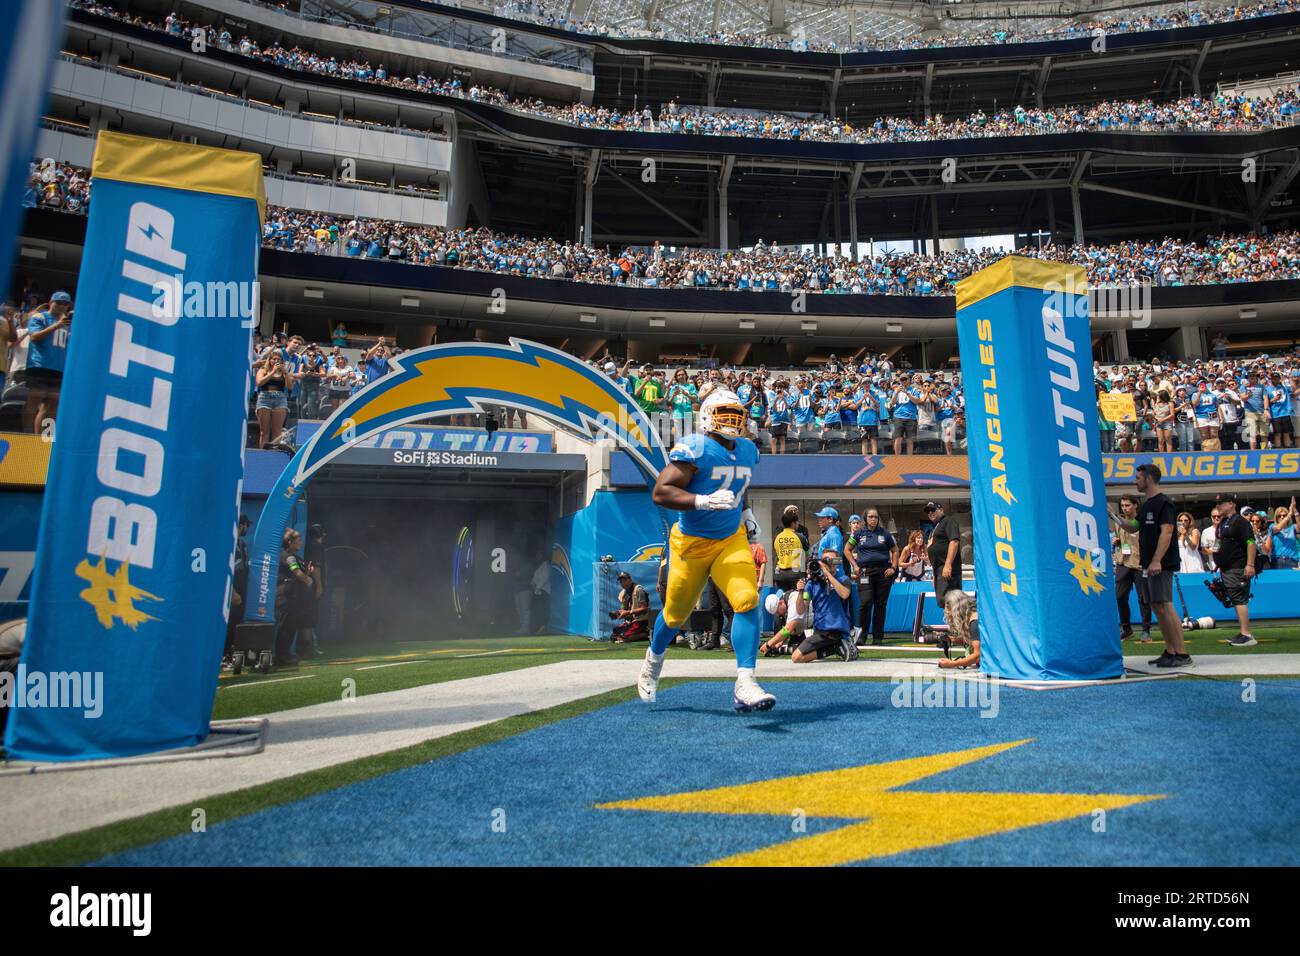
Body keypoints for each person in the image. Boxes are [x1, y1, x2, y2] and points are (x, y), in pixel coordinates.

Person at [637, 388, 775, 712]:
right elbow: (661, 491)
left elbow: (741, 481)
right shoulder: (696, 447)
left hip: (730, 538)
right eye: (724, 414)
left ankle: (745, 681)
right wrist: (703, 500)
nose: (731, 421)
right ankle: (653, 661)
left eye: (736, 415)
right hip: (691, 543)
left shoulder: (747, 450)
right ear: (706, 417)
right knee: (674, 615)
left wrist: (744, 513)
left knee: (746, 598)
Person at [1130, 464, 1190, 668]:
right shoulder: (1146, 505)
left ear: (1148, 479)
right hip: (1148, 564)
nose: (1135, 481)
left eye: (1138, 478)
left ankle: (1181, 653)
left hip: (1161, 564)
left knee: (1164, 604)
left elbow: (1167, 532)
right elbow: (1133, 527)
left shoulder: (1164, 503)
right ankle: (1170, 650)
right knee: (1156, 605)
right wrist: (1112, 516)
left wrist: (1157, 560)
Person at [789, 547, 858, 663]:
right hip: (820, 631)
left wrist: (827, 574)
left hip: (836, 629)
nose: (829, 563)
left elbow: (845, 594)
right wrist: (800, 592)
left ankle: (840, 645)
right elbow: (800, 610)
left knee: (796, 657)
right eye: (826, 560)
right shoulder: (812, 583)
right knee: (798, 657)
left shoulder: (843, 579)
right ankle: (836, 648)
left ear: (837, 562)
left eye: (832, 560)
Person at [1212, 493, 1259, 647]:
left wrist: (1250, 564)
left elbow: (1251, 542)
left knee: (1239, 598)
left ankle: (1247, 635)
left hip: (1238, 566)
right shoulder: (1224, 521)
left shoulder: (1240, 521)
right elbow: (1218, 543)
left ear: (1231, 503)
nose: (1219, 506)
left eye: (1222, 503)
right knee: (1235, 598)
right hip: (1225, 568)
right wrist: (1217, 560)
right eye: (1217, 504)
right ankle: (1243, 632)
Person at [23, 291, 72, 435]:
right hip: (39, 365)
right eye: (59, 303)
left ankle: (46, 437)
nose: (62, 306)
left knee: (53, 405)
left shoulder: (68, 323)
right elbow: (34, 337)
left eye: (65, 304)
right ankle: (28, 435)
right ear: (51, 302)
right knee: (34, 400)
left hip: (59, 368)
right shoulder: (40, 317)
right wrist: (56, 326)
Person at [849, 509, 898, 646]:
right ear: (865, 518)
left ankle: (878, 637)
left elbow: (895, 550)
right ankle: (860, 636)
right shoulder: (859, 533)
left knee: (880, 605)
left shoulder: (885, 533)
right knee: (865, 603)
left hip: (883, 573)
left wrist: (893, 567)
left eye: (876, 517)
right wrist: (855, 566)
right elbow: (847, 550)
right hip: (865, 573)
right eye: (871, 517)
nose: (873, 519)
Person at [1112, 495, 1153, 641]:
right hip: (1123, 562)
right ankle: (1126, 628)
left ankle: (1146, 629)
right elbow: (1123, 541)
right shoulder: (1119, 523)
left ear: (1135, 505)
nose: (1125, 508)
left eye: (1127, 505)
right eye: (1122, 505)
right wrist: (1117, 542)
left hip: (1140, 563)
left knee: (1143, 598)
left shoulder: (1142, 521)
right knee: (1119, 596)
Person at [274, 528, 315, 667]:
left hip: (293, 596)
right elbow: (297, 573)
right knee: (284, 625)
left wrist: (307, 572)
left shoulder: (295, 556)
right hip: (286, 595)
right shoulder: (288, 556)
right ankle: (280, 656)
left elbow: (300, 571)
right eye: (298, 541)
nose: (300, 543)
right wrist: (307, 579)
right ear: (289, 542)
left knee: (291, 625)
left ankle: (285, 654)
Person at [924, 501, 962, 605]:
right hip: (939, 570)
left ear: (941, 510)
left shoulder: (948, 521)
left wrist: (948, 564)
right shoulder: (935, 527)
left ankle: (957, 622)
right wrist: (935, 575)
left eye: (933, 510)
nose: (930, 513)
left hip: (948, 570)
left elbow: (954, 542)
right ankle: (951, 621)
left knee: (952, 601)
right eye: (928, 511)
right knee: (944, 602)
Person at [254, 349, 291, 449]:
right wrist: (273, 372)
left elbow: (289, 386)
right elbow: (259, 382)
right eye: (273, 359)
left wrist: (286, 373)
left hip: (280, 399)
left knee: (277, 431)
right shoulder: (263, 370)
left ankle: (274, 453)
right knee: (264, 431)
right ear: (269, 360)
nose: (276, 361)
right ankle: (262, 453)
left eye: (278, 360)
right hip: (265, 398)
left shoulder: (283, 373)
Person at [936, 589, 980, 670]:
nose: (945, 611)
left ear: (955, 607)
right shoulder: (971, 618)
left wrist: (953, 663)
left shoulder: (974, 622)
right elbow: (975, 640)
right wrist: (953, 640)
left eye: (947, 607)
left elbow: (977, 655)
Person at [611, 571, 651, 643]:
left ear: (630, 580)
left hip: (641, 620)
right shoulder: (623, 593)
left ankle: (647, 634)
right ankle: (639, 633)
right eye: (621, 582)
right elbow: (624, 610)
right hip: (630, 621)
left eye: (625, 580)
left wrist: (629, 612)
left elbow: (644, 608)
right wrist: (617, 614)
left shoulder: (639, 590)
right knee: (615, 632)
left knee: (623, 637)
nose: (623, 583)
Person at [771, 509, 806, 592]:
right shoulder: (800, 537)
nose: (798, 523)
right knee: (796, 599)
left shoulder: (777, 537)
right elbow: (806, 554)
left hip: (780, 575)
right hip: (795, 574)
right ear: (792, 523)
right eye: (797, 521)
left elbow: (776, 554)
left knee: (781, 601)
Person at [1267, 497, 1297, 570]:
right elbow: (1277, 529)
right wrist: (1289, 514)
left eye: (1284, 515)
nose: (1282, 517)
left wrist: (1295, 511)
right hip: (1277, 560)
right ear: (1276, 518)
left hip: (1292, 560)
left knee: (1293, 581)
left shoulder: (1293, 527)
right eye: (1279, 516)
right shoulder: (1272, 526)